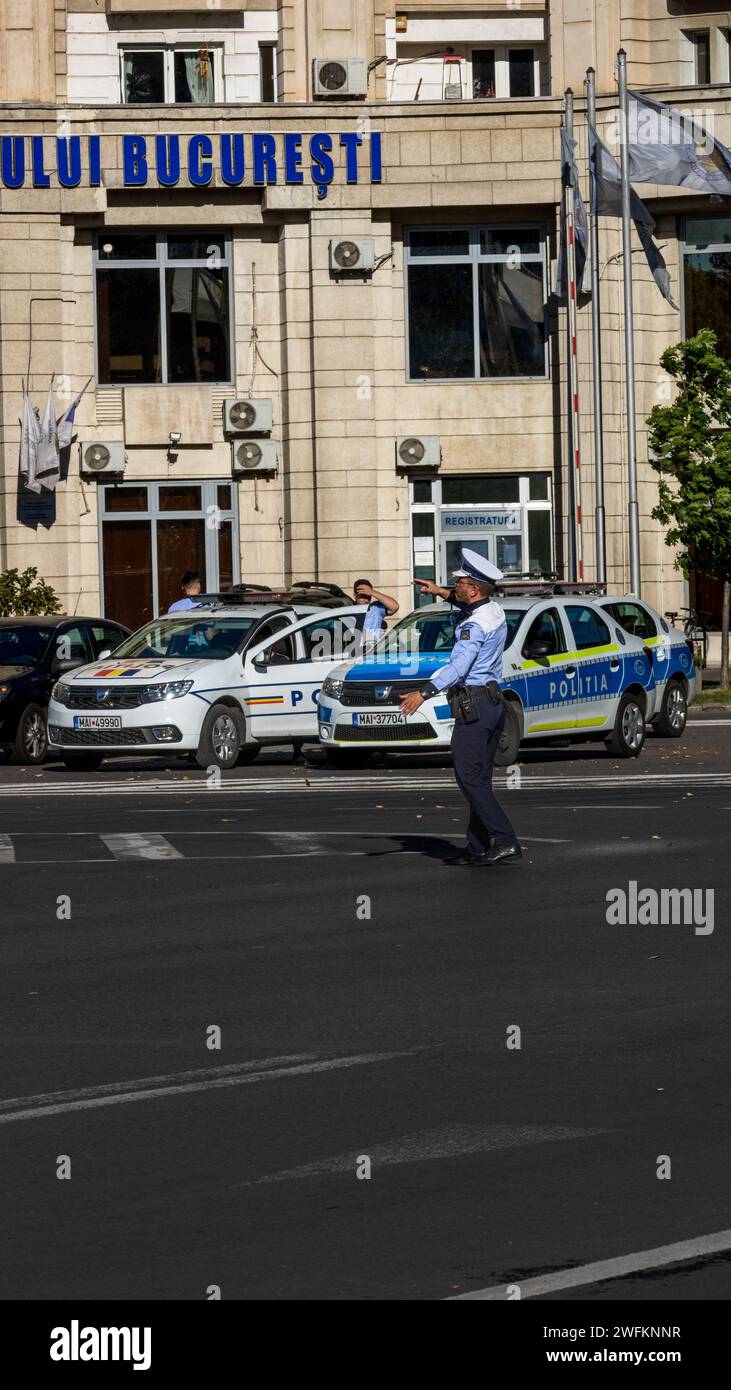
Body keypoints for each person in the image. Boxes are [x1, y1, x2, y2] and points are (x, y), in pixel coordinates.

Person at [399, 548, 521, 867]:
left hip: (475, 706)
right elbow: (473, 606)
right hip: (493, 704)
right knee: (478, 779)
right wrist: (440, 592)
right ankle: (478, 845)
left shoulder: (474, 626)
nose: (456, 587)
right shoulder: (493, 611)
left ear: (474, 587)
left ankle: (505, 840)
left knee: (468, 778)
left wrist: (423, 693)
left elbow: (458, 667)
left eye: (460, 583)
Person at [353, 579, 399, 648]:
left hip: (372, 650)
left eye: (368, 597)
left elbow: (394, 607)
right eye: (363, 597)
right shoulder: (348, 611)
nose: (366, 600)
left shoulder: (375, 609)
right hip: (353, 652)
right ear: (355, 595)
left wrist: (373, 592)